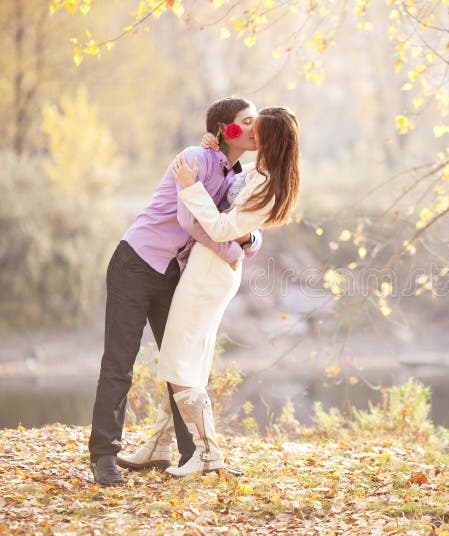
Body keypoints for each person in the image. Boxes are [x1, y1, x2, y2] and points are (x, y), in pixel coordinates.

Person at [89, 97, 263, 486]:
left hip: (171, 273)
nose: (256, 128)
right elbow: (189, 216)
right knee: (120, 361)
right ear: (227, 128)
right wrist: (231, 247)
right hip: (135, 263)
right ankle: (103, 455)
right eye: (247, 121)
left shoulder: (238, 176)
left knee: (180, 361)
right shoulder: (194, 158)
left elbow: (245, 222)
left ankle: (194, 453)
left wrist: (249, 238)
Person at [127, 106, 300, 477]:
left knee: (177, 355)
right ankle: (160, 443)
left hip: (212, 271)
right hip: (209, 268)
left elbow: (223, 227)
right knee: (189, 358)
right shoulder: (259, 173)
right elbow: (231, 195)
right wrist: (216, 146)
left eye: (259, 129)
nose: (252, 133)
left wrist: (190, 188)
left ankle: (207, 452)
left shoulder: (269, 185)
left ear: (271, 140)